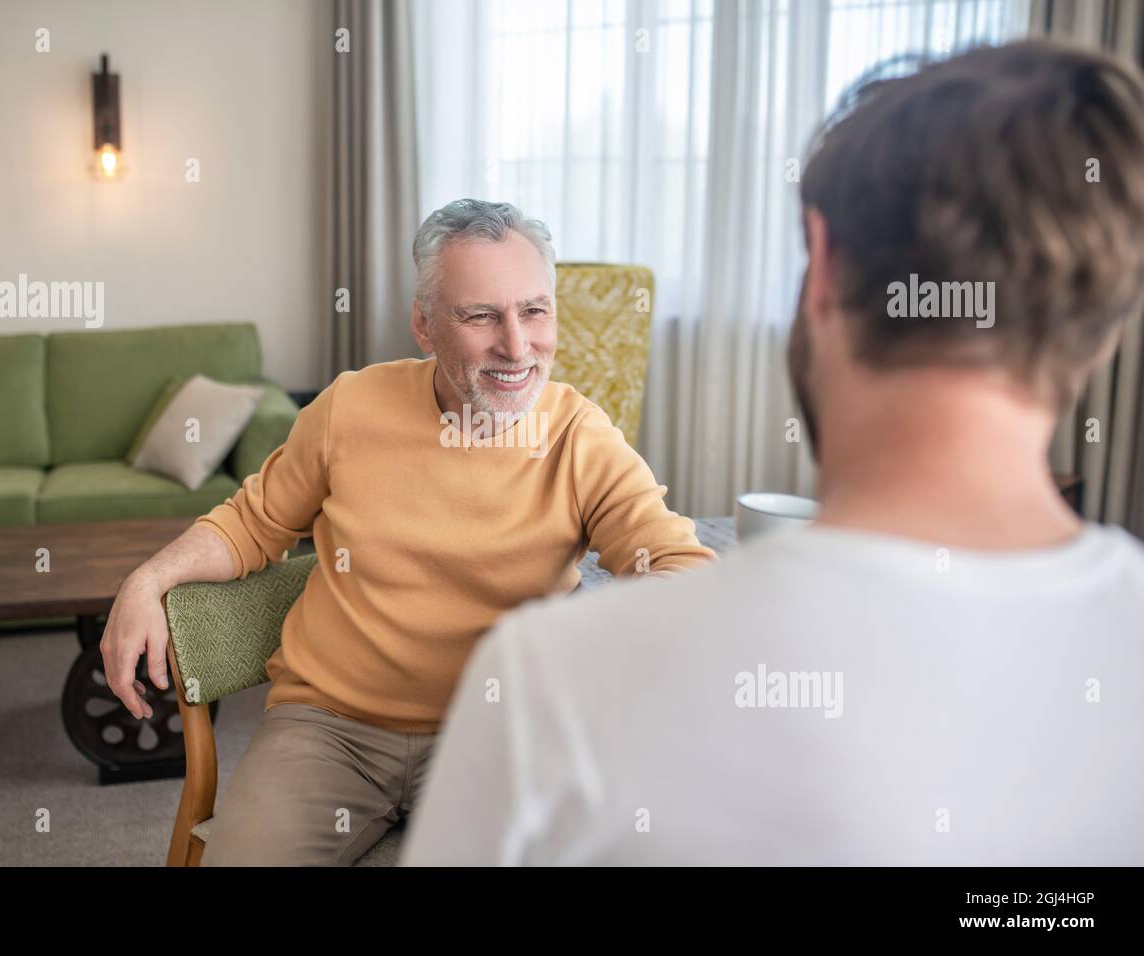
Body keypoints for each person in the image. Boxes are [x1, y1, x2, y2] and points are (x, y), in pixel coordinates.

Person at [403, 41, 1144, 866]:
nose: (515, 342)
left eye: (533, 312)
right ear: (1101, 324)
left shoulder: (550, 678)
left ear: (820, 266)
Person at [100, 198, 714, 865]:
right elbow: (251, 524)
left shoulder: (580, 436)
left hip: (495, 736)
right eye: (481, 315)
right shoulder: (349, 409)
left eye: (534, 310)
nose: (516, 346)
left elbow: (675, 564)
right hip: (328, 730)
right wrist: (149, 577)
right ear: (424, 324)